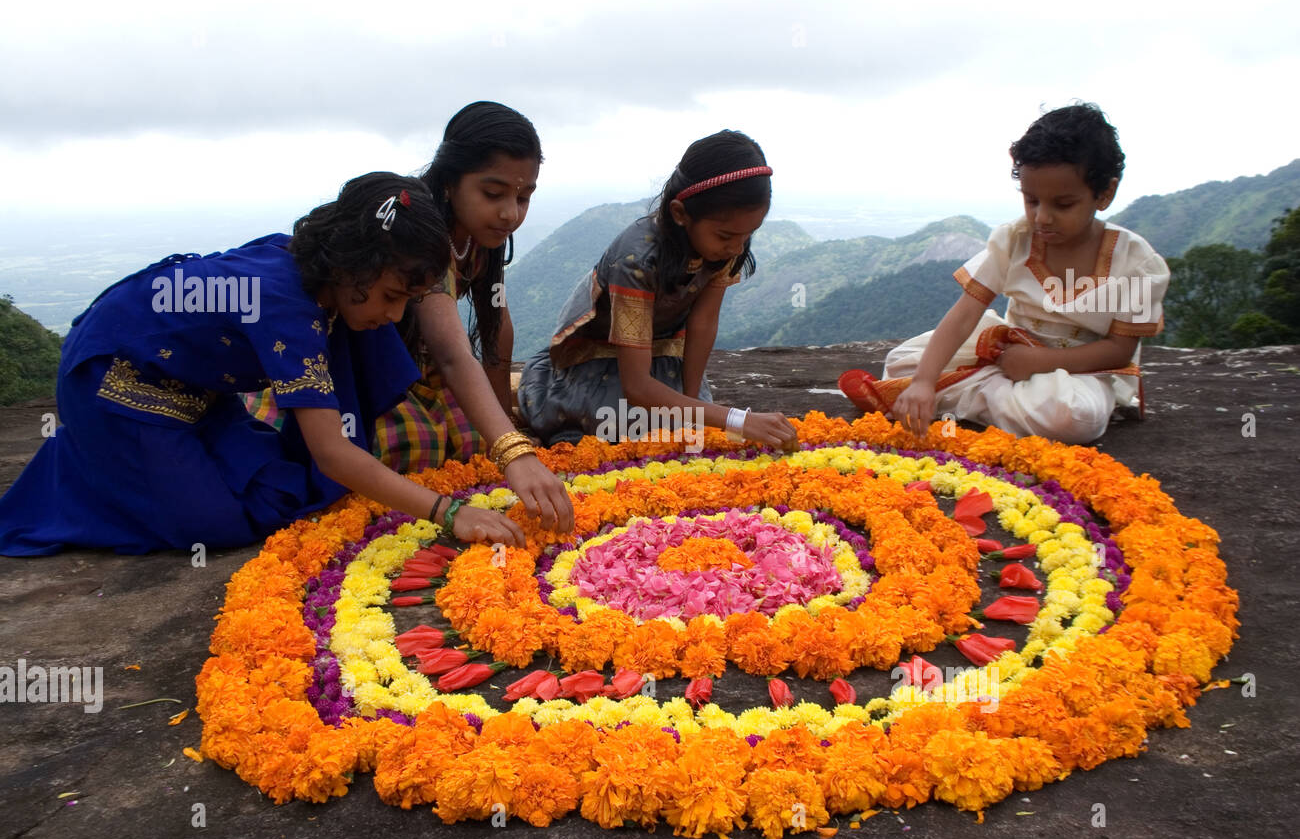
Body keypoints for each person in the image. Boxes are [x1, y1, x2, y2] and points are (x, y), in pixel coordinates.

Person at [0, 172, 526, 556]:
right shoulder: (285, 308)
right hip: (117, 381)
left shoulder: (320, 277)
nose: (392, 316)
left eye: (404, 302)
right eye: (390, 295)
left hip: (203, 393)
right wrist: (449, 512)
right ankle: (83, 468)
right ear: (353, 264)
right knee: (217, 525)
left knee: (288, 486)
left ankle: (129, 464)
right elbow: (331, 453)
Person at [247, 101, 573, 533]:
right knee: (416, 447)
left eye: (524, 196)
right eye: (493, 194)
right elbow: (453, 354)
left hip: (423, 375)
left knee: (475, 444)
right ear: (450, 182)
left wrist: (506, 433)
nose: (510, 213)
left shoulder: (481, 239)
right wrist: (513, 452)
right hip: (363, 374)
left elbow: (496, 330)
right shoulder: (421, 239)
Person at [839, 103, 1169, 444]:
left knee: (1075, 417)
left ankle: (972, 394)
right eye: (1031, 200)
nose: (1042, 217)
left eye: (1063, 204)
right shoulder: (1014, 239)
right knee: (904, 363)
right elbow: (966, 313)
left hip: (1080, 371)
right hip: (1007, 350)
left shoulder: (1139, 262)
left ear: (1105, 194)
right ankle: (981, 395)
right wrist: (923, 381)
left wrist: (1039, 362)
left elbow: (1119, 351)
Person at [517, 129, 798, 450]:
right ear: (680, 214)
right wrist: (737, 419)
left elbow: (703, 323)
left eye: (747, 235)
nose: (736, 248)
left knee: (682, 429)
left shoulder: (724, 246)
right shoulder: (637, 260)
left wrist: (693, 406)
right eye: (725, 236)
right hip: (601, 360)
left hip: (661, 355)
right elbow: (637, 388)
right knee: (619, 425)